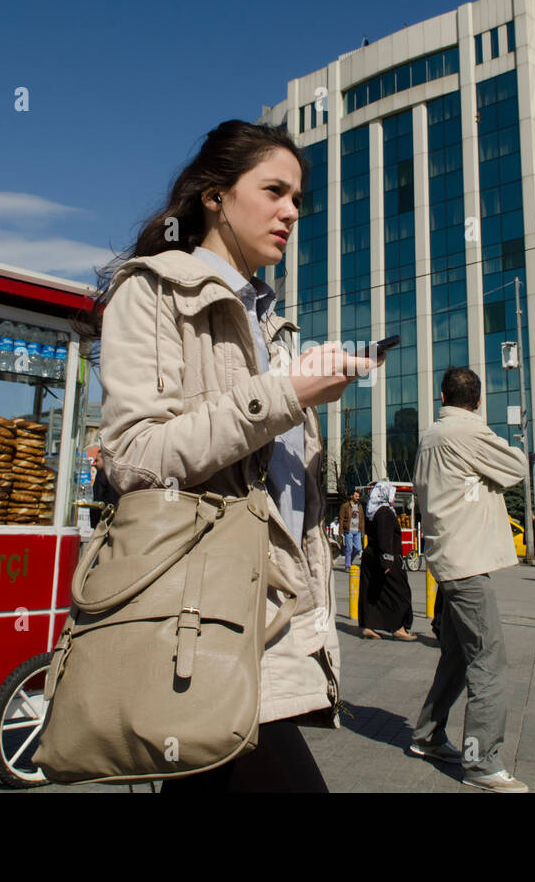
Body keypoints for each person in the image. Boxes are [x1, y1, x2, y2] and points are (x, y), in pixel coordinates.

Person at [95, 119, 378, 792]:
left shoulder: (271, 325)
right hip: (198, 620)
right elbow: (134, 456)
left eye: (298, 200)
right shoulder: (152, 291)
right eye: (275, 190)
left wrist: (302, 382)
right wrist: (286, 392)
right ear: (215, 196)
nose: (291, 213)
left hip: (270, 617)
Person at [409, 366, 529, 793]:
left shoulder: (432, 434)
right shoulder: (466, 432)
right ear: (478, 401)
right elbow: (516, 466)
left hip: (447, 559)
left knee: (458, 656)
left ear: (442, 395)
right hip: (467, 565)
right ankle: (481, 764)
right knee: (489, 664)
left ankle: (427, 735)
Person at [358, 480, 415, 641]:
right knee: (400, 592)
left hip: (371, 555)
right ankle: (398, 627)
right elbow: (385, 538)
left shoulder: (372, 511)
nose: (394, 497)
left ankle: (369, 626)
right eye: (393, 494)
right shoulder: (384, 512)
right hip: (386, 557)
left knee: (373, 591)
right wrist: (388, 561)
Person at [339, 488, 365, 571]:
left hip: (357, 530)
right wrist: (341, 531)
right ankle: (347, 565)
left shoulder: (360, 506)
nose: (358, 497)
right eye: (356, 496)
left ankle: (349, 561)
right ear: (351, 496)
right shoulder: (345, 506)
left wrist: (362, 532)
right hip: (348, 530)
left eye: (359, 496)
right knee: (349, 548)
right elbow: (341, 518)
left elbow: (362, 519)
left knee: (358, 549)